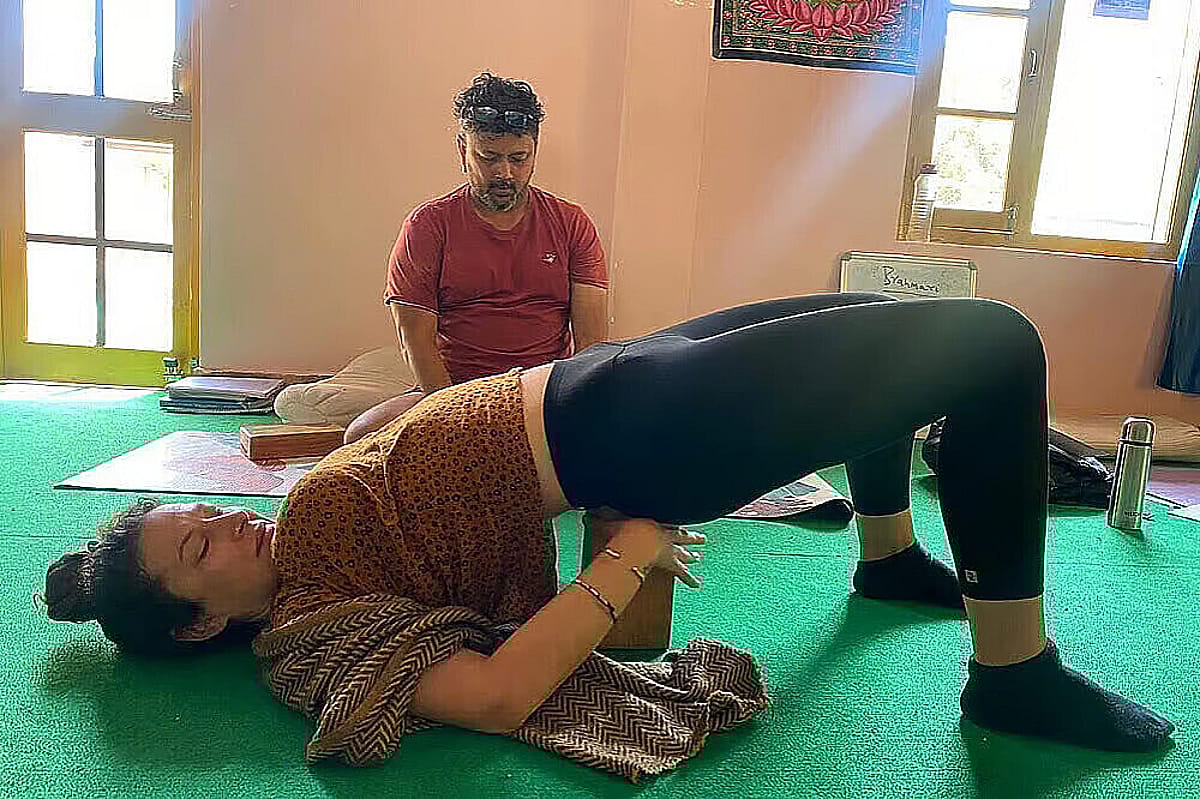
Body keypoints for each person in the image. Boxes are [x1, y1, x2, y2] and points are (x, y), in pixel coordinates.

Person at [44, 294, 1176, 778]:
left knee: (879, 331)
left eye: (206, 518)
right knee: (995, 347)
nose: (230, 527)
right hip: (631, 439)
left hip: (590, 381)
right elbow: (490, 694)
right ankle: (1014, 673)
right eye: (204, 550)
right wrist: (627, 560)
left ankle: (887, 557)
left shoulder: (303, 534)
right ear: (199, 624)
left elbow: (392, 444)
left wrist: (379, 426)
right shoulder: (311, 633)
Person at [345, 72, 609, 444]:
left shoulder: (571, 223)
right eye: (488, 158)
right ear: (462, 150)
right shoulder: (428, 226)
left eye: (519, 158)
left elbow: (591, 347)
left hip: (544, 394)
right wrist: (454, 420)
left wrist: (574, 408)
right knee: (361, 436)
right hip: (456, 392)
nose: (504, 173)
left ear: (535, 151)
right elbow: (416, 342)